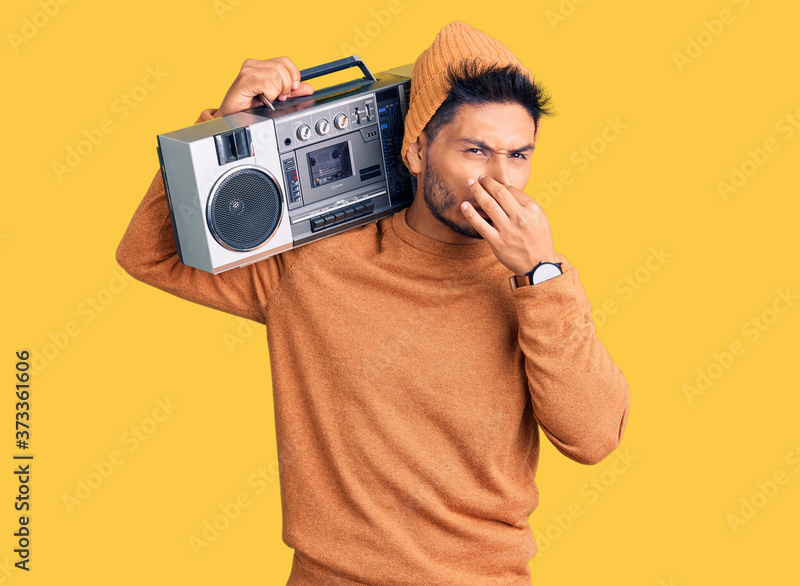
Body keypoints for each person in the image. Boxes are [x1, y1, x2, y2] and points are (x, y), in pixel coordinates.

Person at [116, 20, 630, 585]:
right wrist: (221, 133)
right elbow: (149, 254)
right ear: (417, 149)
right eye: (476, 151)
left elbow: (594, 438)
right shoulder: (314, 262)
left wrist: (541, 274)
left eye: (519, 155)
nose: (501, 180)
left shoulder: (537, 285)